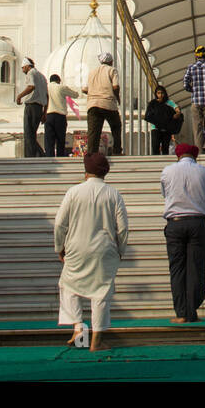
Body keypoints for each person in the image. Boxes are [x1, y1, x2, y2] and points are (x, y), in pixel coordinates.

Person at [53, 151, 128, 351]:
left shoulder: (73, 192)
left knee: (68, 286)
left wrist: (59, 247)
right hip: (104, 250)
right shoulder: (114, 194)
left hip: (76, 248)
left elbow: (60, 224)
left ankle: (78, 326)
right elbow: (122, 227)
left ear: (86, 172)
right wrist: (121, 249)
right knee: (100, 294)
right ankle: (96, 341)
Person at [161, 143, 205, 323]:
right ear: (195, 156)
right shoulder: (204, 171)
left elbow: (165, 193)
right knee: (196, 267)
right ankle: (192, 308)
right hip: (197, 222)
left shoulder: (167, 171)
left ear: (178, 156)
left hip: (175, 223)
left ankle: (181, 312)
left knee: (177, 268)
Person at [85, 53, 121, 157]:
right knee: (116, 127)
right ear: (111, 62)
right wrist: (117, 97)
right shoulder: (112, 70)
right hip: (108, 103)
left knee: (93, 132)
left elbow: (84, 89)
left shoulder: (92, 72)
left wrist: (95, 93)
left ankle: (92, 155)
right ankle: (117, 151)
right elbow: (115, 87)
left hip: (93, 104)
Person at [16, 58, 49, 158]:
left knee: (28, 134)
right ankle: (40, 155)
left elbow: (31, 86)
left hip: (31, 107)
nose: (23, 71)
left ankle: (30, 158)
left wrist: (19, 96)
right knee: (32, 134)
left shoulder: (31, 73)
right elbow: (47, 96)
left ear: (27, 66)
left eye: (23, 68)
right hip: (39, 108)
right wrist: (44, 113)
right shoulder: (42, 77)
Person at [44, 74, 80, 158]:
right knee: (60, 139)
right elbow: (75, 95)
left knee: (49, 140)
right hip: (60, 116)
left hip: (48, 116)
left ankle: (49, 158)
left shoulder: (46, 88)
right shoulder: (61, 87)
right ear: (58, 80)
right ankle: (60, 157)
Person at [145, 85, 181, 156]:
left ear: (165, 93)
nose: (160, 95)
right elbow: (149, 114)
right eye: (158, 93)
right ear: (156, 94)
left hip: (166, 128)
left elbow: (176, 108)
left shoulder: (169, 102)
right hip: (155, 128)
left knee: (165, 148)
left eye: (162, 93)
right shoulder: (153, 103)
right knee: (155, 147)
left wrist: (177, 113)